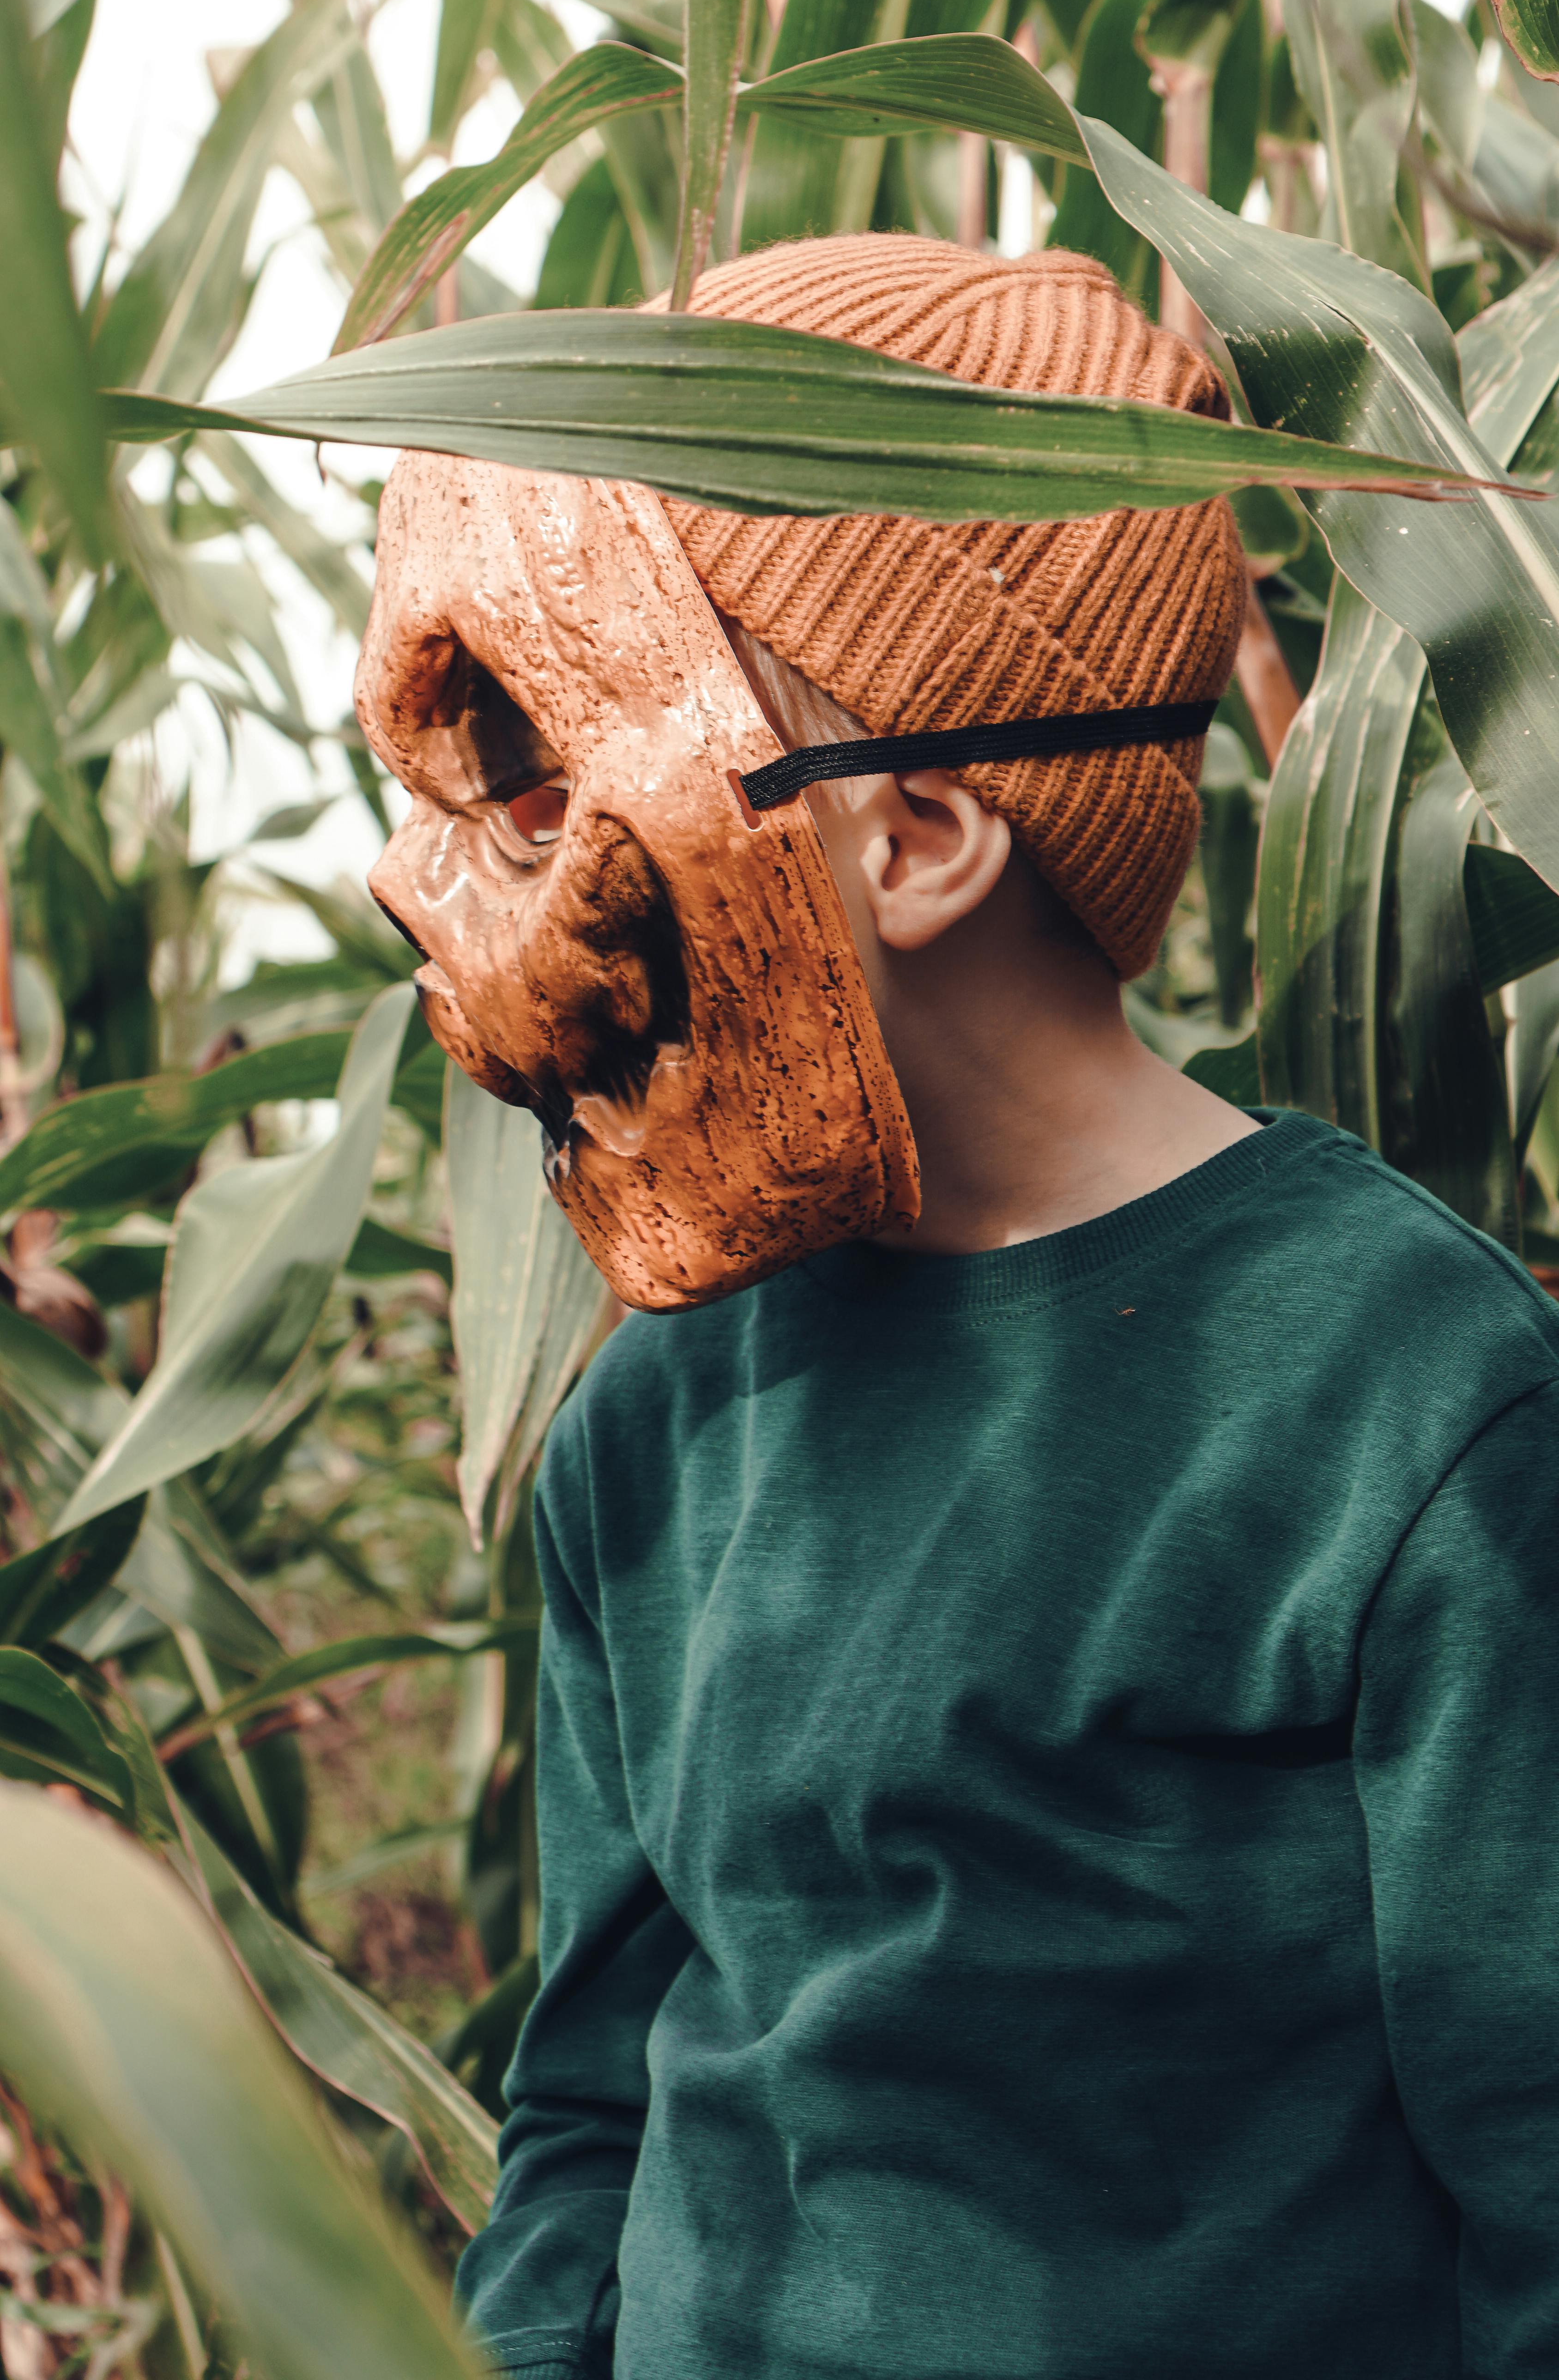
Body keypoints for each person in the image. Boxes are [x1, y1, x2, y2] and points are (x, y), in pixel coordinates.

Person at [380, 238, 1559, 2378]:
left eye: (576, 756)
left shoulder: (1400, 1405)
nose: (487, 881)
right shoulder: (652, 1421)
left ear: (919, 837)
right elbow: (592, 2108)